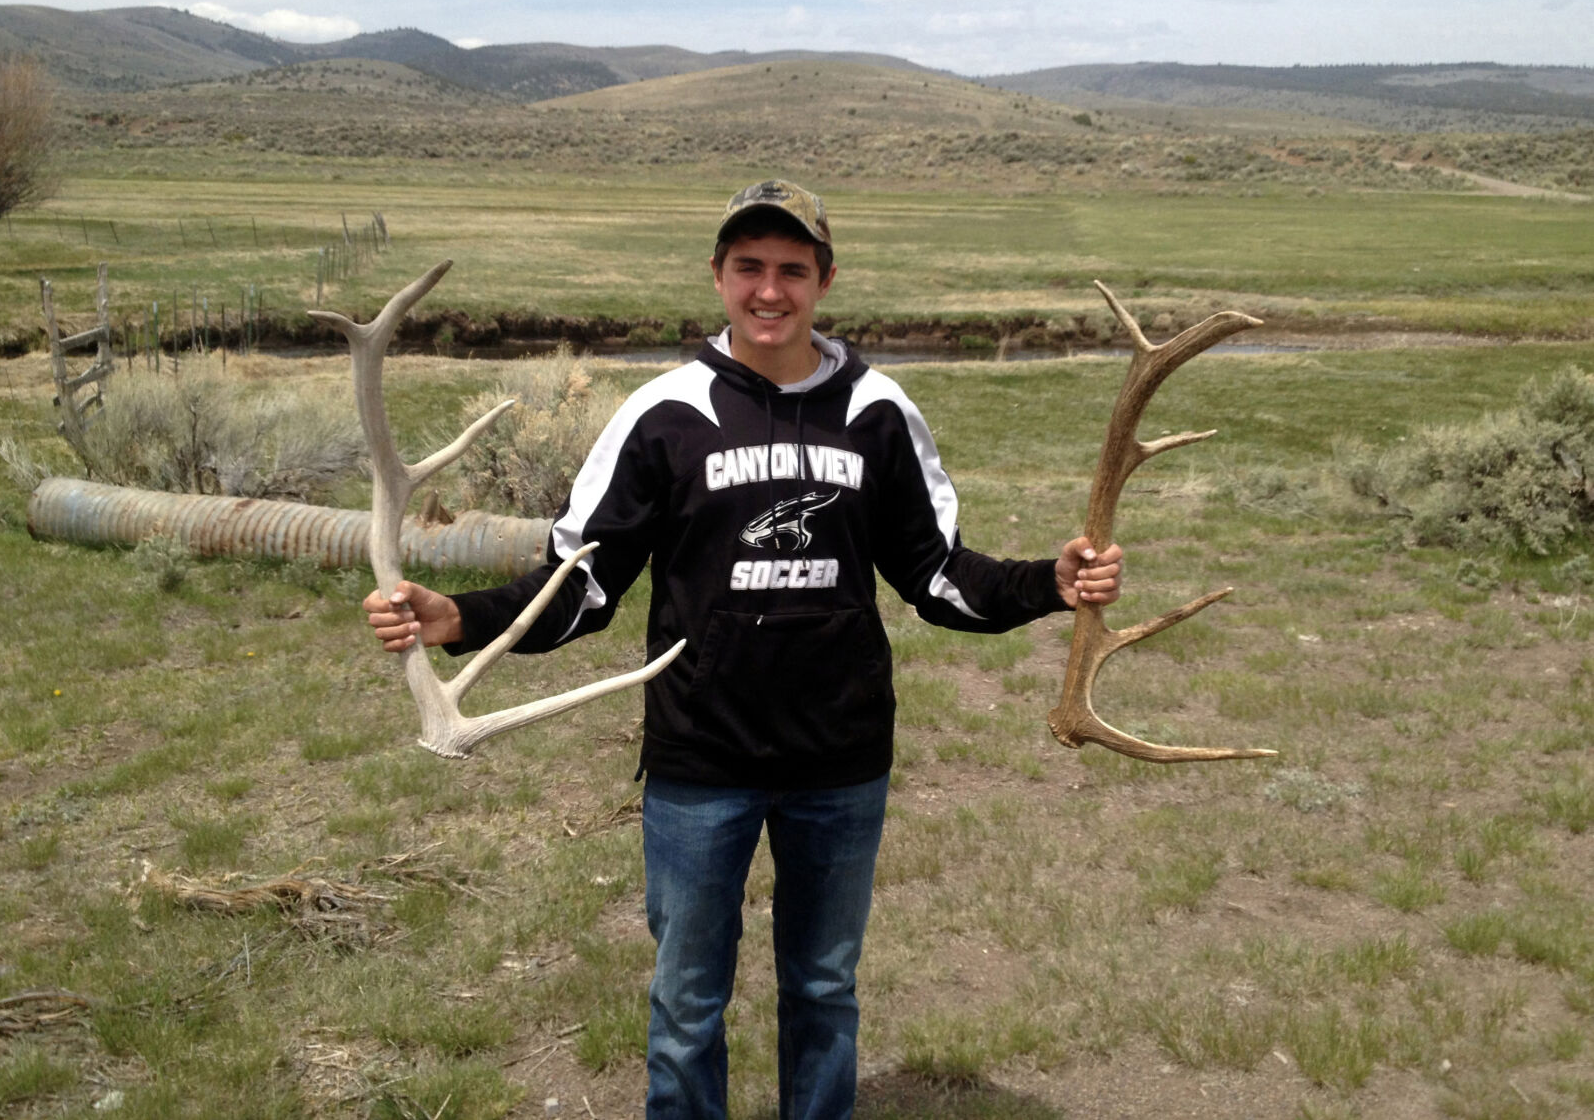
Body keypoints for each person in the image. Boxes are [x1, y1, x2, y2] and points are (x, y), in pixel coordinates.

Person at [363, 179, 1123, 1120]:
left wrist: (1047, 582)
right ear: (717, 276)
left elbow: (936, 576)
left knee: (823, 990)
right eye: (749, 267)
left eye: (792, 270)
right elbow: (583, 584)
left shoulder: (877, 410)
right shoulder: (664, 413)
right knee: (687, 1002)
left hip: (839, 760)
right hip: (700, 762)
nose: (770, 291)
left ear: (825, 280)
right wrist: (459, 616)